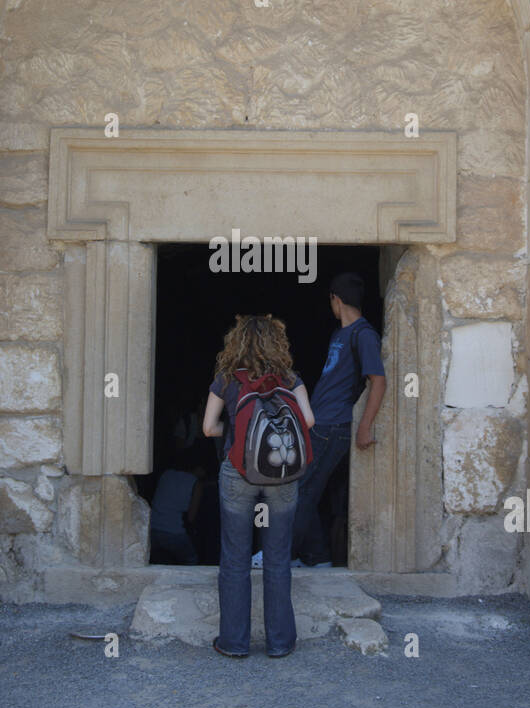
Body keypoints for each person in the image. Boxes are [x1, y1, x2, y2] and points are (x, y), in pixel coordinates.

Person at [202, 314, 315, 659]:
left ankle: (234, 643)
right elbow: (309, 421)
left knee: (235, 559)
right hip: (281, 477)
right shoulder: (290, 379)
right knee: (277, 558)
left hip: (238, 475)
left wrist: (240, 437)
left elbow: (208, 428)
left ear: (236, 343)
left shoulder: (226, 379)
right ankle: (280, 642)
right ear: (276, 344)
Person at [291, 272, 386, 567]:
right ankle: (317, 557)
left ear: (336, 299)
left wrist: (364, 427)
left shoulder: (364, 335)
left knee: (299, 490)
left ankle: (281, 555)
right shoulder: (339, 335)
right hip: (319, 423)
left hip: (335, 425)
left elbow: (378, 381)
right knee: (306, 490)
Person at [148, 445, 204, 565]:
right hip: (175, 534)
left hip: (152, 530)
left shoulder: (166, 474)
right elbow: (191, 517)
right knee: (192, 560)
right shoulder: (195, 482)